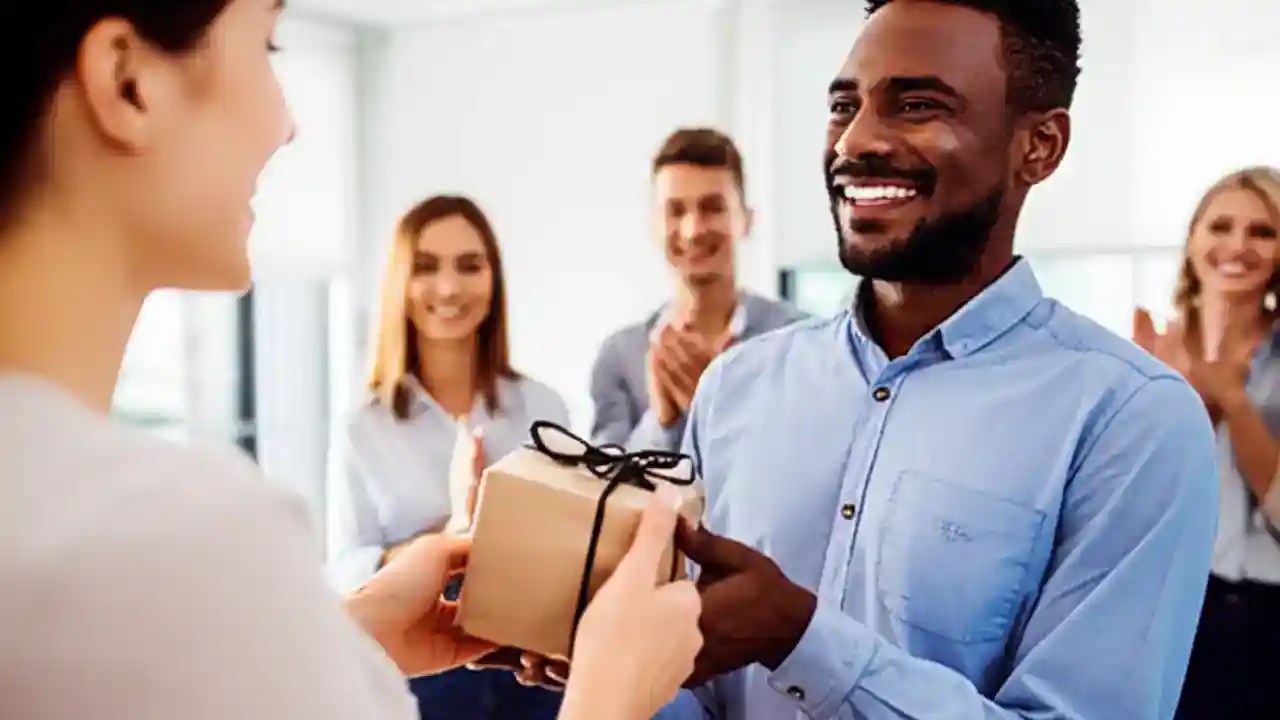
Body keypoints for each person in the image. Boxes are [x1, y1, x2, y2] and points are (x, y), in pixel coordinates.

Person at [0, 2, 701, 719]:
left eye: (469, 266)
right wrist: (611, 695)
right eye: (267, 46)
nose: (288, 124)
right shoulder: (184, 540)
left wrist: (351, 634)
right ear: (128, 82)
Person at [655, 1, 1218, 718]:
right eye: (842, 106)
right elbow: (698, 684)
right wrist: (593, 662)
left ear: (1039, 146)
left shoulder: (1132, 423)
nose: (854, 141)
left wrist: (800, 639)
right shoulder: (739, 386)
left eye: (916, 105)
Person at [328, 194, 569, 719]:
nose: (449, 288)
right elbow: (347, 566)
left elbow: (571, 552)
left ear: (494, 280)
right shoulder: (364, 425)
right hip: (420, 675)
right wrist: (450, 534)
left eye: (469, 265)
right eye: (427, 267)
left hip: (526, 667)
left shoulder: (543, 410)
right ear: (400, 283)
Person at [1133, 166, 1280, 719]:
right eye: (1220, 226)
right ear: (1193, 239)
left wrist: (1234, 403)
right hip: (1170, 608)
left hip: (1268, 611)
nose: (1237, 246)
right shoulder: (1146, 353)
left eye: (1263, 232)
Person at [589, 128, 805, 452]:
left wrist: (725, 409)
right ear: (653, 224)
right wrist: (663, 418)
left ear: (746, 220)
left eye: (712, 207)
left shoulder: (802, 341)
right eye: (675, 211)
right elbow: (603, 489)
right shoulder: (619, 356)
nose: (692, 231)